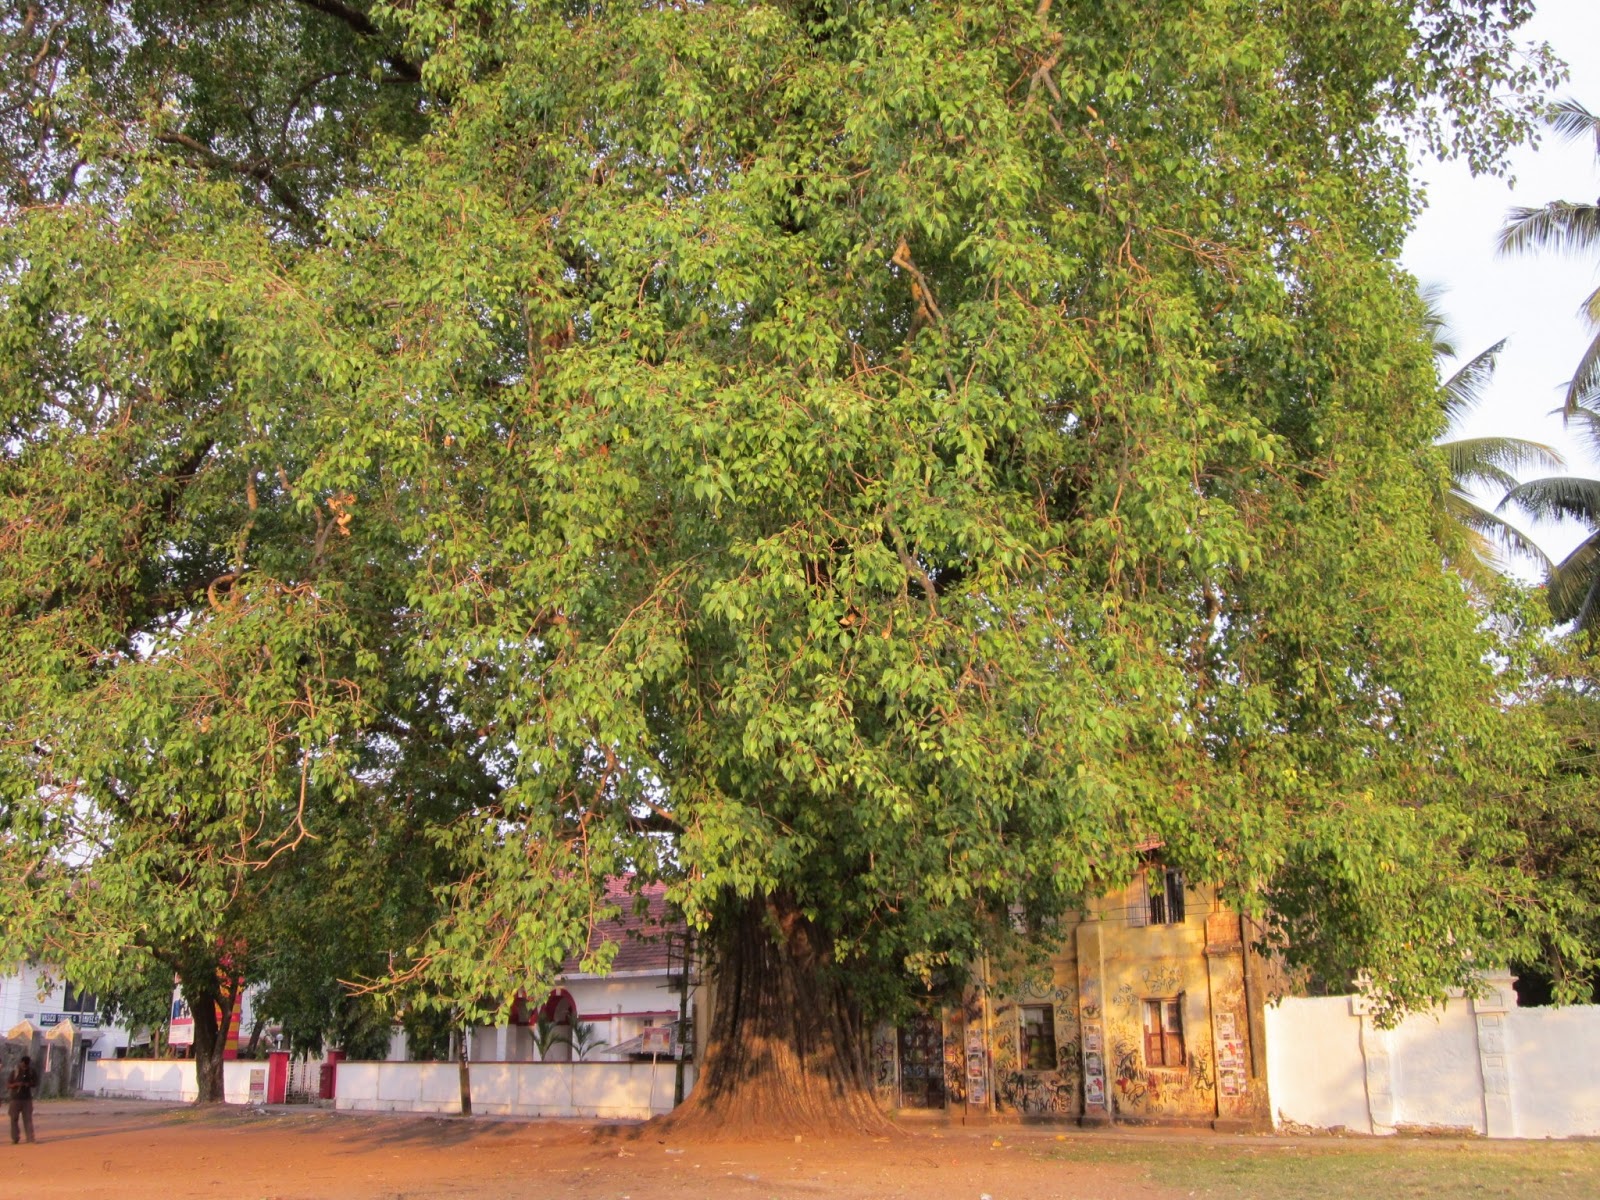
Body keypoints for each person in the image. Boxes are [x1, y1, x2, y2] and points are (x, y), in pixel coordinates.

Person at [7, 1054, 38, 1144]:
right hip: (15, 1099)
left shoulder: (32, 1071)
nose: (25, 1067)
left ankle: (30, 1138)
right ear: (21, 1063)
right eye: (24, 1065)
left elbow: (35, 1083)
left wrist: (28, 1084)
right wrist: (17, 1084)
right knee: (14, 1119)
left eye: (26, 1066)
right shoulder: (15, 1071)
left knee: (28, 1119)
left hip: (27, 1099)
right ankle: (15, 1138)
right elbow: (8, 1085)